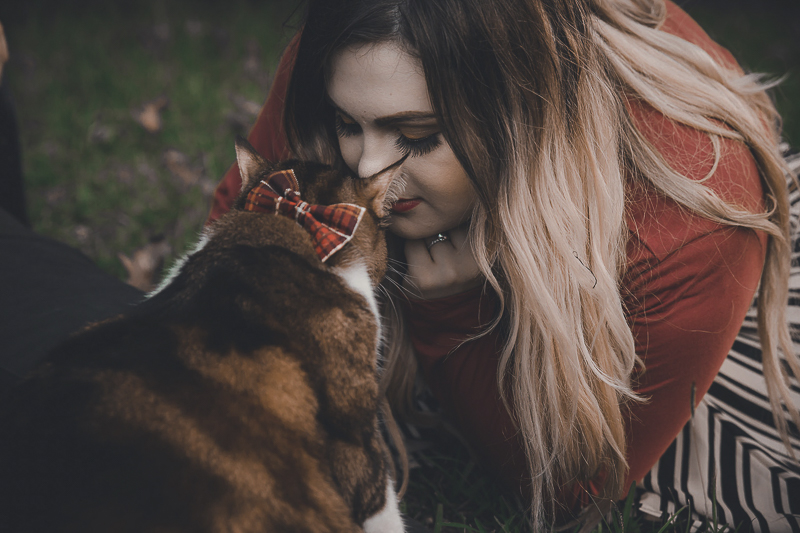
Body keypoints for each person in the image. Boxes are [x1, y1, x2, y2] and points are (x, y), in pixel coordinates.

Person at [207, 0, 800, 530]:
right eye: (347, 125)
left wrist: (450, 316)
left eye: (417, 135)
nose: (366, 168)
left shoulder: (685, 231)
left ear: (521, 121)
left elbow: (573, 490)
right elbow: (231, 231)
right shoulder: (365, 51)